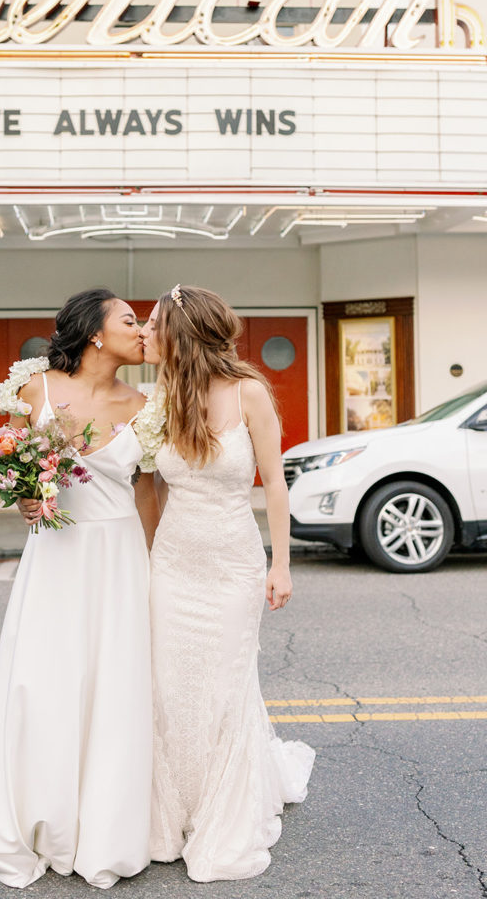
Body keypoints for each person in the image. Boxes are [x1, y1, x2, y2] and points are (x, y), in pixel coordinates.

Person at [0, 289, 159, 890]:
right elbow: (12, 466)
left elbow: (147, 494)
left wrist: (153, 566)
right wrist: (24, 500)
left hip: (118, 558)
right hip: (55, 555)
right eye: (130, 321)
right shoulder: (34, 389)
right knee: (40, 680)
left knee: (112, 687)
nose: (141, 331)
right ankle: (32, 817)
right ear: (93, 332)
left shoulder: (145, 405)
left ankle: (104, 831)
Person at [140, 285, 315, 882]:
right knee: (169, 684)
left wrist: (281, 563)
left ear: (181, 335)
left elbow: (274, 484)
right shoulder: (161, 394)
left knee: (222, 683)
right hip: (173, 562)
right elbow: (154, 487)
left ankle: (223, 814)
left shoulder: (250, 392)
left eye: (154, 324)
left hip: (234, 563)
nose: (145, 333)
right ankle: (172, 814)